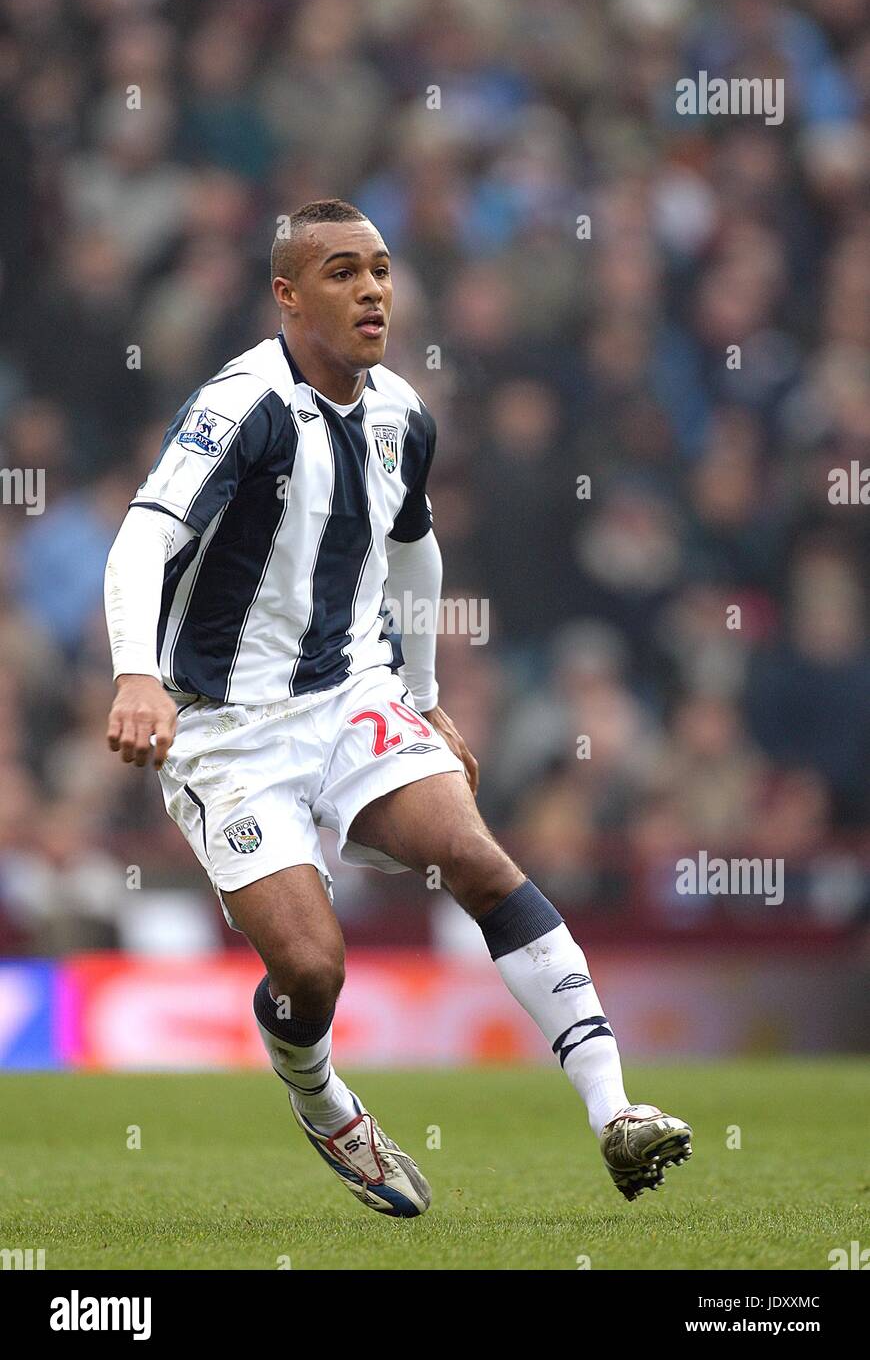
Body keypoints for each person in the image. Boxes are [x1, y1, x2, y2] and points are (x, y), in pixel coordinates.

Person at [104, 199, 691, 1216]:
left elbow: (416, 552)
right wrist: (134, 674)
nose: (372, 290)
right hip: (229, 730)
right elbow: (141, 537)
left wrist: (425, 699)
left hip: (348, 697)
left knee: (476, 853)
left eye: (379, 269)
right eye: (341, 272)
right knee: (310, 968)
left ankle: (615, 1111)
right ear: (288, 296)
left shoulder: (401, 417)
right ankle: (321, 1096)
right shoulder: (243, 406)